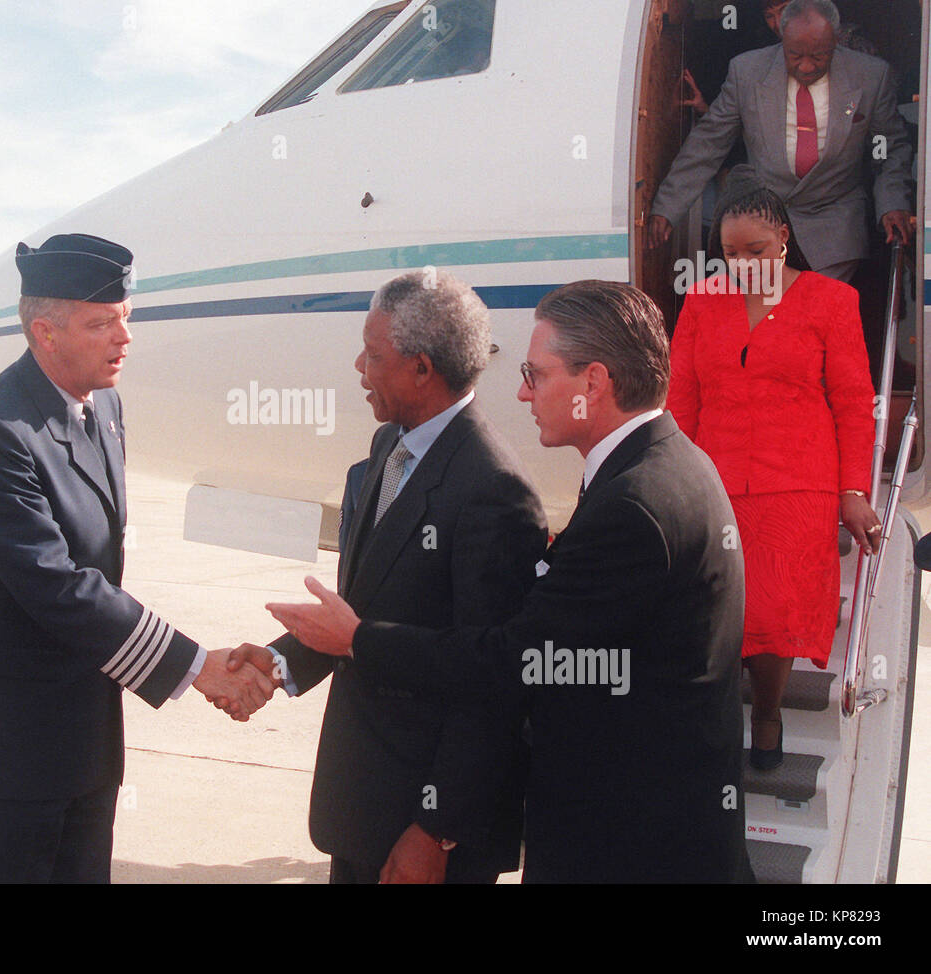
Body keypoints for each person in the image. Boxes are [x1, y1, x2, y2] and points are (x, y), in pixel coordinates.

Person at [267, 280, 752, 883]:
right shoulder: (663, 466)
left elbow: (511, 662)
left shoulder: (634, 503)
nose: (521, 392)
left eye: (536, 374)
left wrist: (359, 640)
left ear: (593, 383)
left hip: (631, 849)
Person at [0, 233, 275, 883]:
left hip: (85, 748)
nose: (124, 338)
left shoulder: (104, 407)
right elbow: (56, 585)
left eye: (125, 319)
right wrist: (198, 667)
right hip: (4, 758)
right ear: (44, 332)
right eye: (101, 323)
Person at [226, 270, 546, 884]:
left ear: (422, 370)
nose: (358, 366)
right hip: (363, 813)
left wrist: (436, 831)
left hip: (422, 837)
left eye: (373, 355)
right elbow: (365, 618)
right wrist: (276, 664)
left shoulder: (493, 491)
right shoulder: (388, 448)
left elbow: (496, 682)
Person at [667, 168, 879, 770]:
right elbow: (681, 399)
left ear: (783, 238)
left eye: (755, 251)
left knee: (774, 613)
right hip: (716, 479)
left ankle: (766, 712)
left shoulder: (831, 301)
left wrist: (854, 490)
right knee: (714, 607)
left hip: (798, 485)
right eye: (729, 253)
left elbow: (853, 403)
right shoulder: (702, 300)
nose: (742, 264)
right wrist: (674, 483)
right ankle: (714, 718)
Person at [647, 0, 914, 284]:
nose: (807, 67)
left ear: (835, 41)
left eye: (819, 56)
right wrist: (668, 206)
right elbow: (709, 142)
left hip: (834, 226)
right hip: (763, 224)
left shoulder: (871, 75)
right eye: (795, 56)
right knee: (768, 321)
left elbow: (890, 147)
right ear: (781, 40)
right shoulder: (747, 71)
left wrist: (892, 201)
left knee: (812, 316)